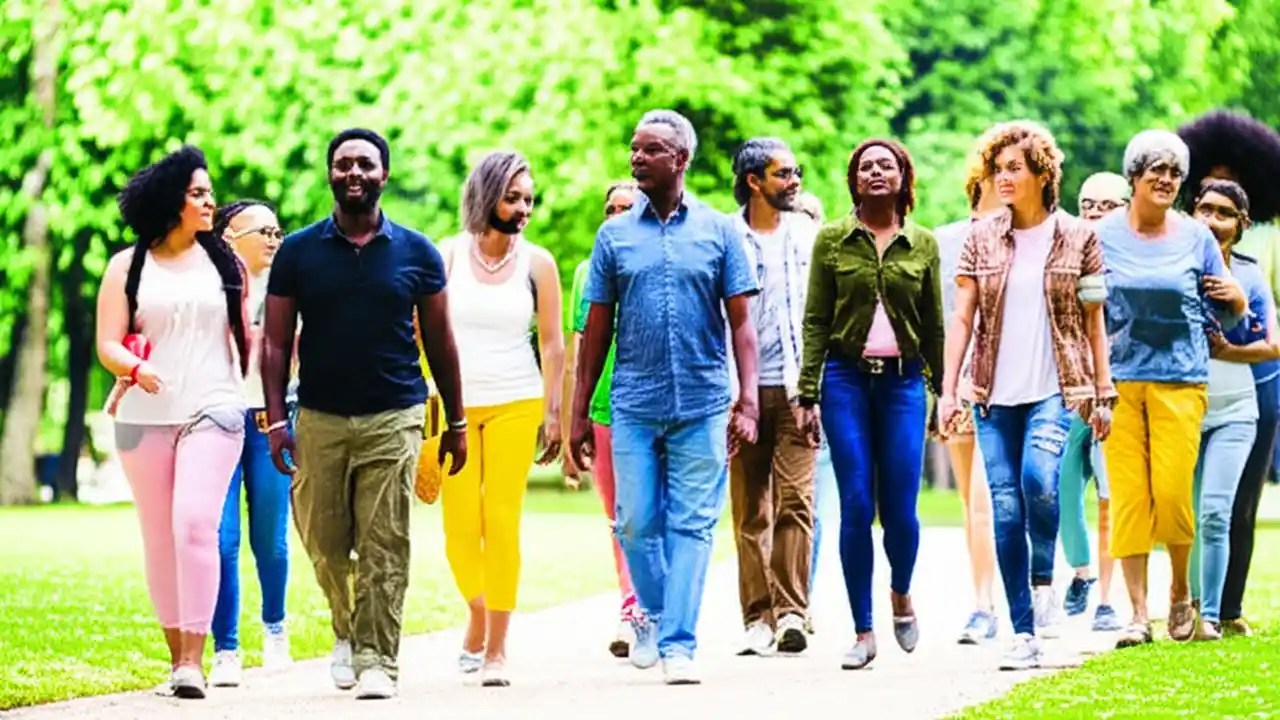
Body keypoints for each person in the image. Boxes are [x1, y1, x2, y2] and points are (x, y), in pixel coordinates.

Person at [261, 128, 467, 699]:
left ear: (385, 175)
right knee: (325, 542)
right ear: (330, 174)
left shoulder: (418, 253)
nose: (354, 172)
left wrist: (455, 422)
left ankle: (380, 660)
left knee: (385, 542)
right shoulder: (299, 252)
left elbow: (442, 342)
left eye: (366, 164)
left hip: (394, 414)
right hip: (320, 415)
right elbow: (276, 342)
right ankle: (346, 629)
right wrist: (278, 418)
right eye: (343, 163)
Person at [570, 109, 760, 686]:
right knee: (633, 522)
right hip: (632, 401)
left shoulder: (720, 231)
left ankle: (679, 643)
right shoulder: (614, 235)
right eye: (633, 148)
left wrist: (747, 399)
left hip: (702, 401)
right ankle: (650, 615)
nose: (636, 158)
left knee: (692, 525)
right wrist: (577, 413)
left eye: (649, 150)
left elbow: (743, 327)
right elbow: (596, 331)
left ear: (679, 160)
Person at [942, 121, 1115, 670]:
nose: (1003, 178)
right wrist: (950, 391)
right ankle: (1023, 631)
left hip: (1056, 388)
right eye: (998, 169)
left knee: (1040, 481)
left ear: (1044, 173)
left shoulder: (1080, 237)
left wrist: (1103, 391)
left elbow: (1094, 322)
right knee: (1006, 505)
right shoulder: (980, 237)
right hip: (992, 392)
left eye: (1014, 167)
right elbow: (962, 319)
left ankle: (1045, 581)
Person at [95, 145, 249, 698]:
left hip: (215, 407)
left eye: (210, 192)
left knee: (193, 525)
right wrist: (136, 367)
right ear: (172, 201)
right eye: (199, 194)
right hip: (144, 417)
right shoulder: (126, 266)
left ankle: (193, 661)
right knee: (160, 538)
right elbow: (107, 342)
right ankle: (176, 657)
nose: (211, 202)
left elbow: (250, 331)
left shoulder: (225, 262)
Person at [1096, 129, 1246, 648]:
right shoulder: (1101, 234)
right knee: (1130, 497)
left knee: (1174, 491)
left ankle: (1180, 593)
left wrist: (1237, 300)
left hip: (1182, 377)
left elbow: (1224, 305)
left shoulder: (1195, 237)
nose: (1164, 179)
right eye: (1154, 169)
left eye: (1173, 172)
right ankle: (1138, 615)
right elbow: (1082, 306)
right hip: (1117, 379)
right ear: (1133, 175)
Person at [799, 138, 942, 671]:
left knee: (901, 507)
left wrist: (942, 389)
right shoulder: (832, 240)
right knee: (856, 503)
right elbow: (815, 318)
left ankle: (901, 594)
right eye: (866, 166)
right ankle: (863, 630)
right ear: (854, 179)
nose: (876, 172)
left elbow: (933, 324)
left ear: (903, 177)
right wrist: (807, 391)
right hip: (845, 379)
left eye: (886, 165)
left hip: (904, 384)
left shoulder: (922, 243)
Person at [437, 151, 565, 687]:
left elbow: (554, 344)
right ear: (486, 197)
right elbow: (424, 333)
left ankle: (497, 649)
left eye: (529, 199)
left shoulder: (539, 263)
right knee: (459, 528)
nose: (523, 208)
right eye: (513, 198)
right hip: (456, 408)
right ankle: (478, 610)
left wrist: (554, 412)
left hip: (517, 399)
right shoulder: (445, 255)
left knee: (502, 519)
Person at [1179, 111, 1280, 632]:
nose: (1215, 206)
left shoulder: (1260, 255)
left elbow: (1270, 339)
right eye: (1205, 192)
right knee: (1200, 504)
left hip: (1257, 389)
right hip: (1193, 390)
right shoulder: (1179, 253)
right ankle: (1197, 605)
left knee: (1240, 502)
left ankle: (1228, 607)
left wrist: (1236, 337)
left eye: (1231, 188)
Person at [727, 138, 819, 656]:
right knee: (750, 511)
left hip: (797, 389)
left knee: (797, 503)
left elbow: (819, 316)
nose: (795, 181)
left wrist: (816, 390)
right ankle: (756, 617)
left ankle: (792, 614)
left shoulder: (809, 235)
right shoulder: (723, 236)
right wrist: (732, 398)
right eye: (784, 173)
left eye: (796, 171)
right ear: (754, 181)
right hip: (741, 393)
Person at [209, 200, 294, 687]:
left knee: (272, 541)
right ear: (228, 237)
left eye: (277, 231)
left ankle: (275, 630)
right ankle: (226, 649)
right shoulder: (210, 288)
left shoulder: (287, 288)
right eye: (261, 230)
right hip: (219, 422)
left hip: (270, 424)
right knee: (222, 541)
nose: (272, 239)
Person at [932, 150, 1005, 646]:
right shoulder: (945, 242)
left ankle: (994, 603)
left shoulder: (1031, 238)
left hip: (1014, 384)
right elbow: (936, 319)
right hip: (959, 383)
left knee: (991, 497)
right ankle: (985, 599)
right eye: (996, 174)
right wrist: (943, 385)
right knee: (970, 501)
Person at [567, 181, 641, 657]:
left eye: (627, 209)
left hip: (651, 409)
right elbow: (577, 352)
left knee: (651, 514)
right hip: (603, 412)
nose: (616, 216)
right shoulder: (585, 271)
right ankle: (632, 608)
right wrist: (571, 419)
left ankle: (648, 608)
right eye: (610, 208)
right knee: (619, 519)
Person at [1056, 171, 1130, 632]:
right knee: (1059, 487)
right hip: (1071, 391)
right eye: (1087, 204)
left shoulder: (1134, 259)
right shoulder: (1066, 254)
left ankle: (1107, 598)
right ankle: (1081, 572)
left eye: (1106, 205)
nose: (1095, 213)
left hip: (1118, 392)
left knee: (1108, 497)